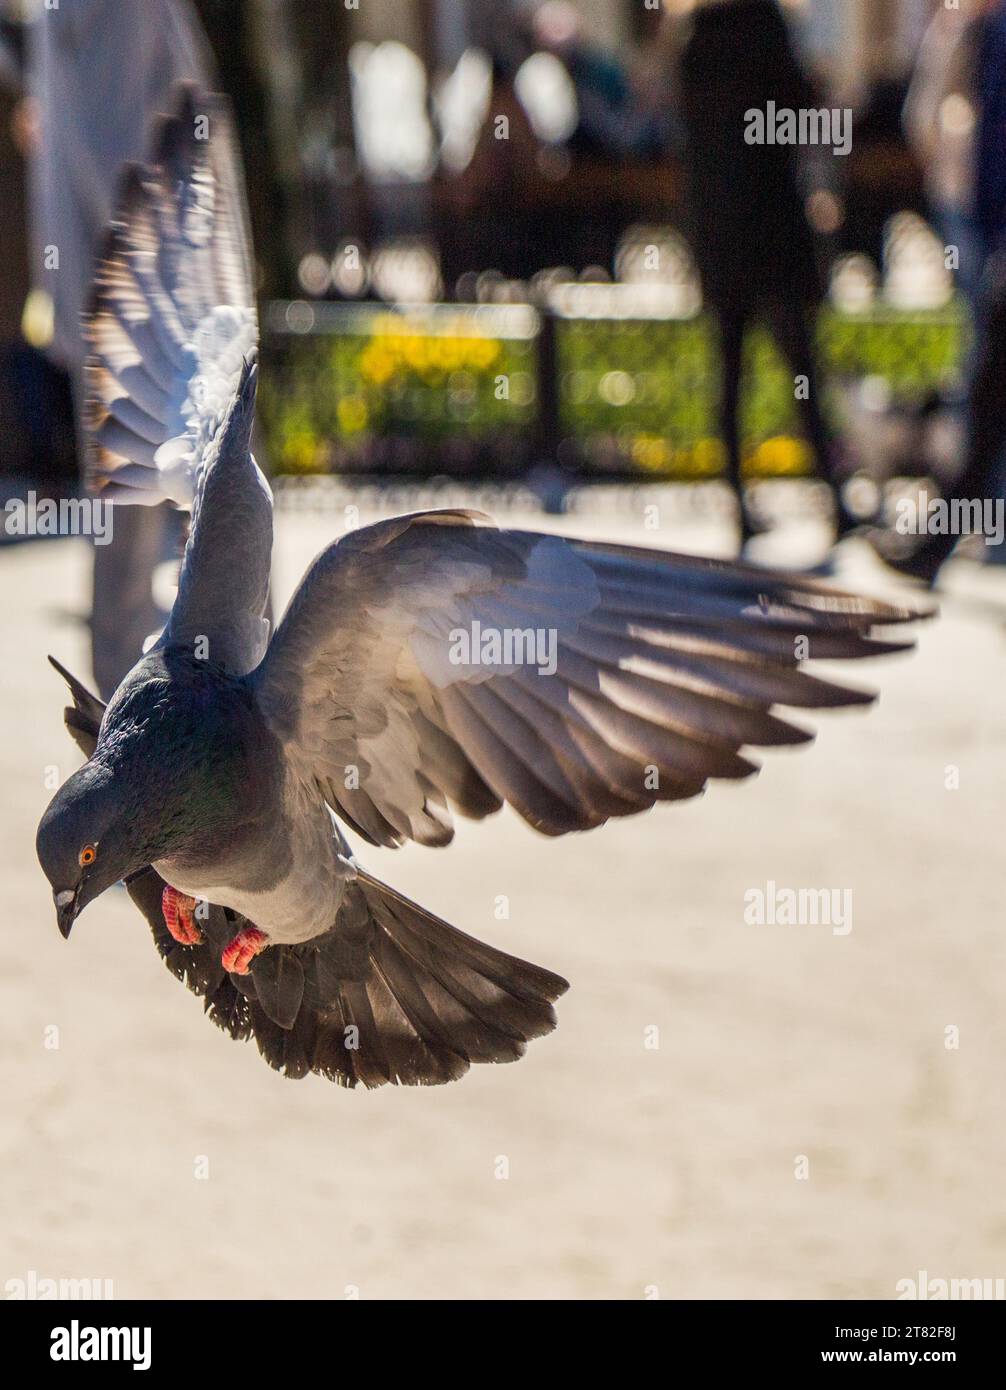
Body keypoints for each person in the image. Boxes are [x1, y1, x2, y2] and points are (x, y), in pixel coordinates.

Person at [24, 0, 213, 697]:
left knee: (134, 515)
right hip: (146, 297)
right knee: (186, 505)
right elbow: (121, 150)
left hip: (122, 290)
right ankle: (176, 726)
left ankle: (138, 724)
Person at [676, 0, 854, 547]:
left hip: (719, 229)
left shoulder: (694, 39)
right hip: (770, 225)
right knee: (800, 364)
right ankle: (834, 499)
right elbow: (795, 113)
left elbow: (689, 137)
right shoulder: (764, 27)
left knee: (730, 370)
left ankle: (738, 502)